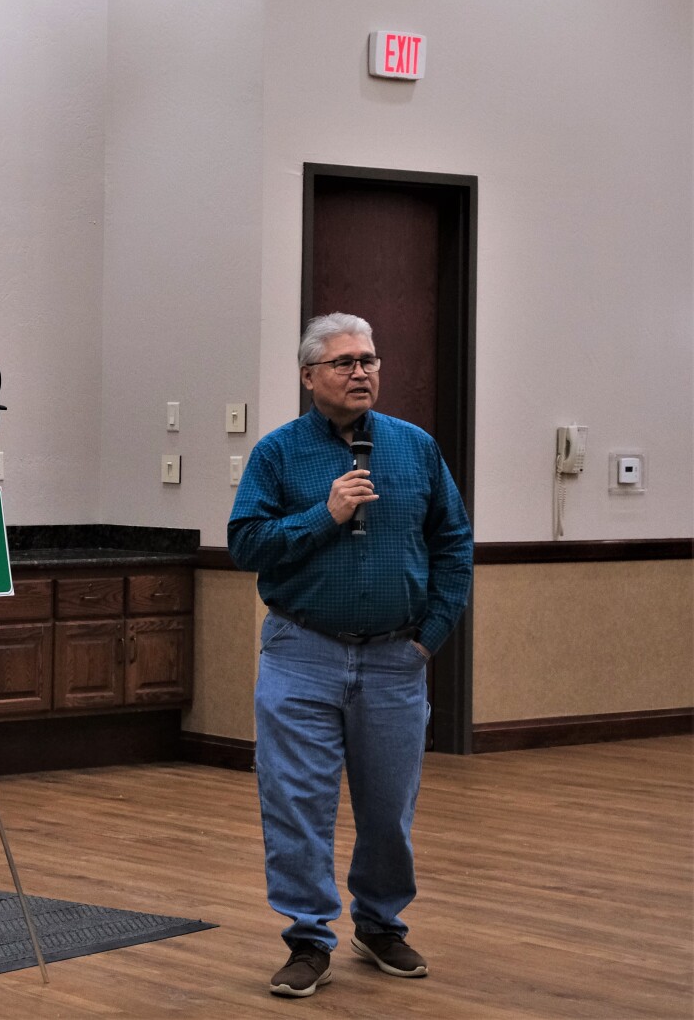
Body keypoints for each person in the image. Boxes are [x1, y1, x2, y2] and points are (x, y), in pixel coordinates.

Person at [228, 313, 472, 999]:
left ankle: (381, 923)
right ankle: (308, 939)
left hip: (397, 656)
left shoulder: (415, 448)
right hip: (301, 652)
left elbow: (453, 543)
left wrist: (432, 633)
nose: (361, 371)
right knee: (297, 803)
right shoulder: (278, 453)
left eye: (368, 359)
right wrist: (324, 515)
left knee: (389, 806)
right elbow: (246, 543)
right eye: (343, 362)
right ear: (310, 378)